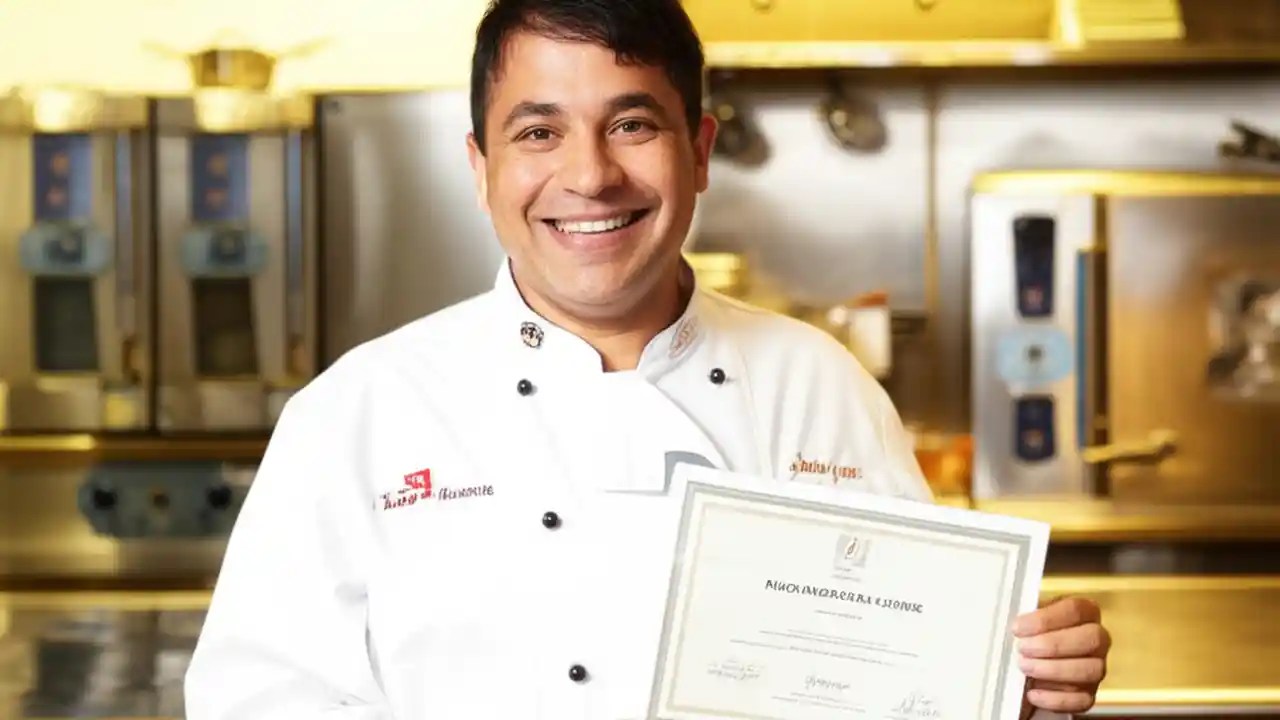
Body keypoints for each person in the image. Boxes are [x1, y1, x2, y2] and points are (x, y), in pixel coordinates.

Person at [184, 0, 1111, 717]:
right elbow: (253, 703)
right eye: (538, 132)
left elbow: (900, 678)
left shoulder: (819, 384)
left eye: (633, 124)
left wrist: (1004, 690)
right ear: (479, 167)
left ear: (699, 152)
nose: (589, 176)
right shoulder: (359, 413)